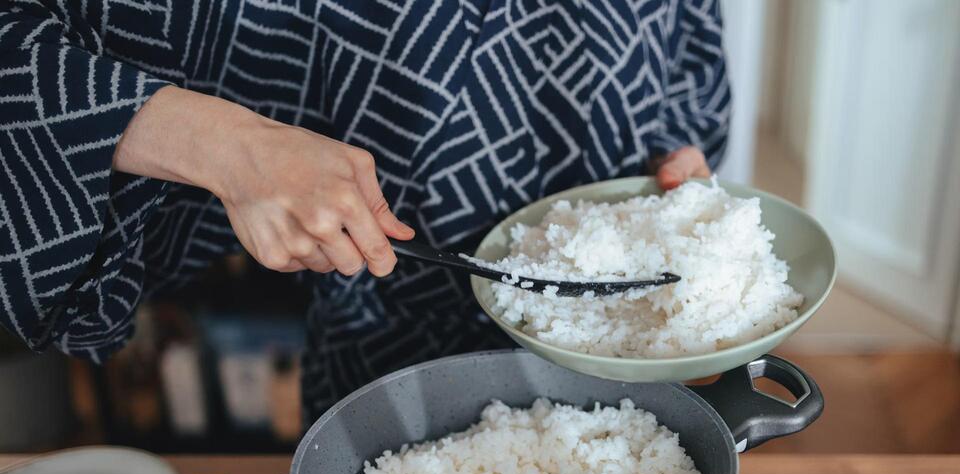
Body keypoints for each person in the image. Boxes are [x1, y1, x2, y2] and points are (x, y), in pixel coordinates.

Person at [0, 0, 730, 420]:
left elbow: (679, 49)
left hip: (631, 333)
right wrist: (228, 146)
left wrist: (672, 161)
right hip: (388, 353)